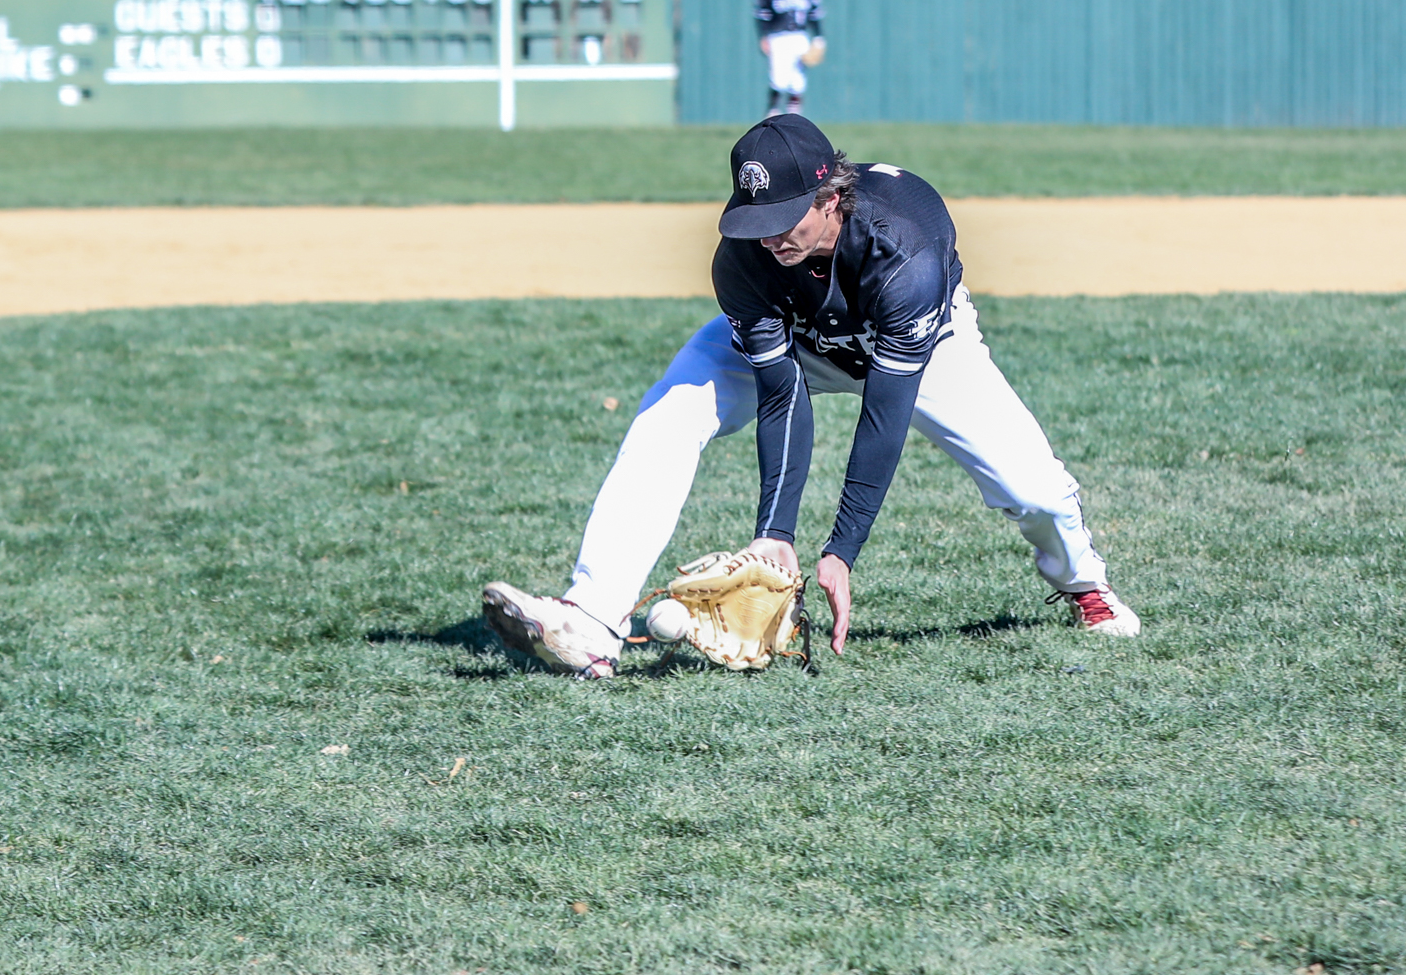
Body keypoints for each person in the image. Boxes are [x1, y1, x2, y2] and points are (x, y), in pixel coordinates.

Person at [483, 115, 1141, 680]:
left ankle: (1083, 582)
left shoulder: (903, 249)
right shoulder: (744, 260)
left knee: (1034, 491)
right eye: (754, 218)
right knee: (670, 412)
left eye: (782, 217)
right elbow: (780, 393)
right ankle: (591, 620)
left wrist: (841, 550)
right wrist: (777, 534)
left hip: (920, 346)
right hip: (801, 339)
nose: (768, 235)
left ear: (831, 196)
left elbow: (885, 410)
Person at [754, 0, 824, 117]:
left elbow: (815, 16)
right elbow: (762, 16)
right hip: (778, 37)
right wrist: (763, 36)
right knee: (778, 79)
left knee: (797, 82)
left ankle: (795, 118)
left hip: (799, 37)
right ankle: (772, 115)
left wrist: (819, 38)